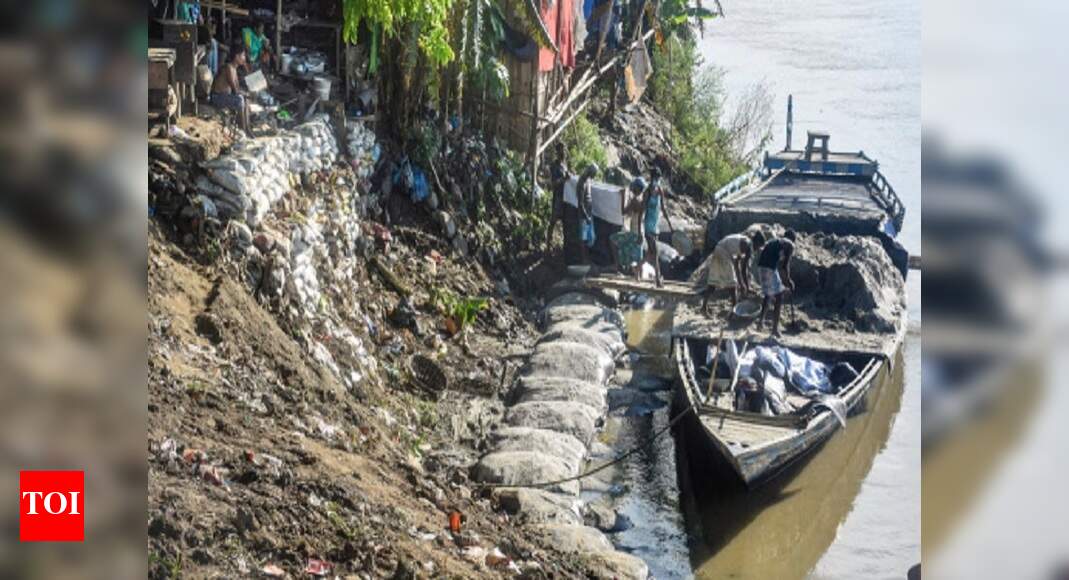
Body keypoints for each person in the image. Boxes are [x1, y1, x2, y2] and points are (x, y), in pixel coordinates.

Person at [701, 230, 765, 314]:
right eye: (759, 246)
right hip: (723, 253)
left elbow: (737, 265)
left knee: (713, 282)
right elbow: (743, 270)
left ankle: (703, 307)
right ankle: (735, 311)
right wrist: (745, 286)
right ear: (756, 242)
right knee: (733, 285)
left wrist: (742, 283)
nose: (757, 249)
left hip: (718, 250)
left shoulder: (745, 241)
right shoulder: (748, 246)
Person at [756, 229, 797, 337]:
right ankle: (774, 329)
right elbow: (784, 266)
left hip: (761, 267)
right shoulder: (790, 245)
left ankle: (760, 323)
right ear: (793, 240)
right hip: (769, 268)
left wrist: (784, 281)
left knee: (768, 295)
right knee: (779, 296)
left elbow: (778, 267)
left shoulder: (777, 242)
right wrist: (788, 281)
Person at [639, 169, 674, 287]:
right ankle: (658, 279)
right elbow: (641, 212)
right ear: (652, 178)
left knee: (650, 252)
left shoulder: (659, 190)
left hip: (656, 225)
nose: (657, 180)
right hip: (648, 225)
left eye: (658, 178)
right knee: (656, 252)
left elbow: (663, 208)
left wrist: (670, 224)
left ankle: (637, 267)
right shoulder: (647, 192)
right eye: (655, 178)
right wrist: (640, 230)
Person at [210, 44, 250, 131]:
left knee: (246, 99)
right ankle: (242, 129)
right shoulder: (228, 68)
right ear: (236, 56)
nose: (244, 58)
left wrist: (246, 94)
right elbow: (235, 90)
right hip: (217, 97)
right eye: (243, 55)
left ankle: (247, 128)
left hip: (225, 96)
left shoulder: (234, 69)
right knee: (240, 100)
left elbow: (238, 88)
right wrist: (245, 93)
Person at [545, 143, 569, 249]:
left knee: (565, 222)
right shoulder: (554, 166)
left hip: (566, 197)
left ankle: (565, 245)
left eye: (564, 150)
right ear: (557, 152)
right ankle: (548, 244)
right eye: (561, 151)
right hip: (558, 197)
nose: (564, 152)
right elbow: (553, 183)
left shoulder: (564, 165)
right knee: (553, 220)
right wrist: (563, 179)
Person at [577, 164, 598, 264]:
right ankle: (584, 260)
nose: (594, 176)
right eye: (594, 174)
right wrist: (586, 216)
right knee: (583, 238)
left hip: (589, 214)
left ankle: (587, 259)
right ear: (590, 172)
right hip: (583, 215)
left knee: (590, 238)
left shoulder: (588, 180)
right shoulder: (582, 182)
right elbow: (580, 203)